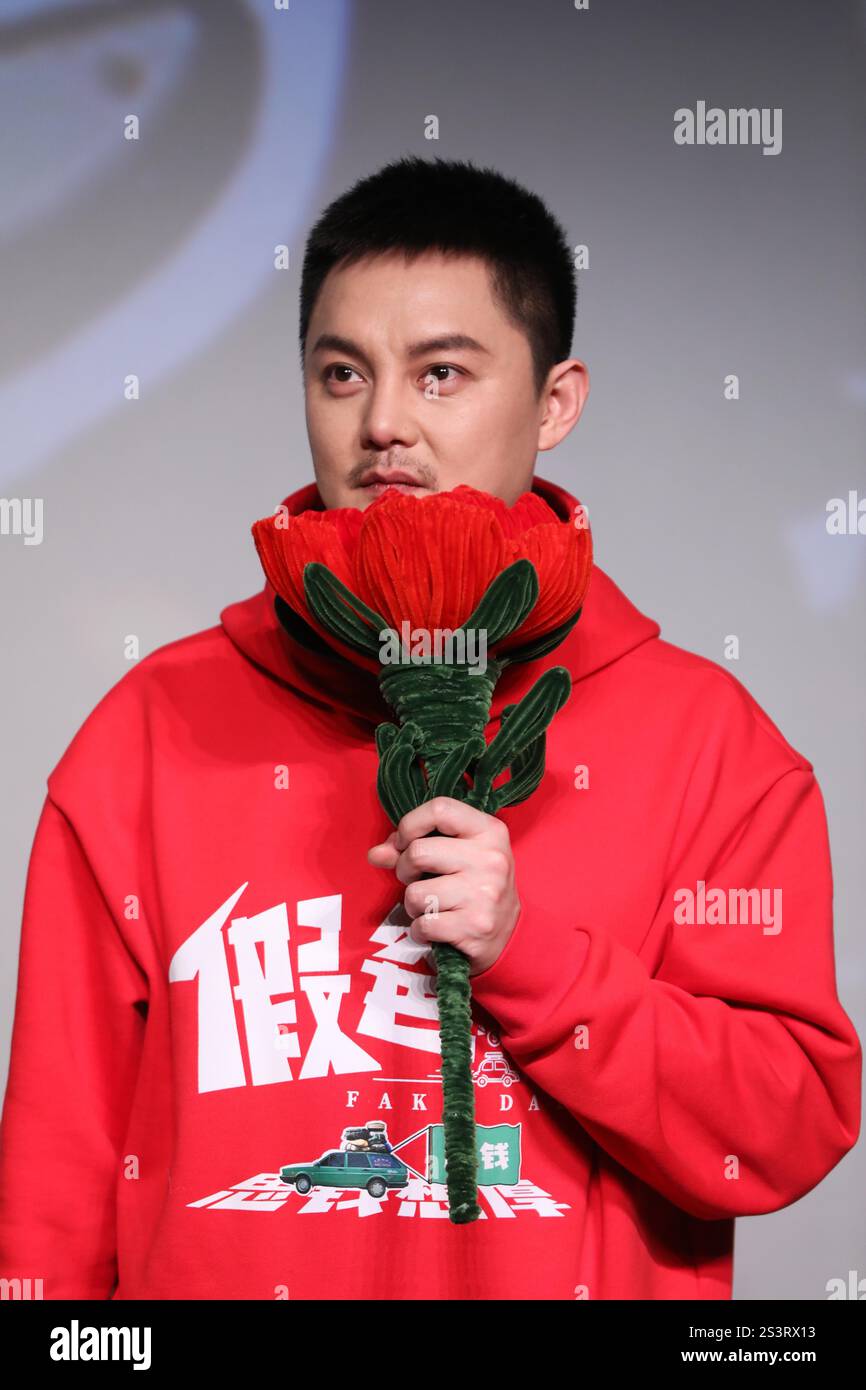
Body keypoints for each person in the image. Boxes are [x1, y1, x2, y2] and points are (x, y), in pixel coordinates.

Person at [0, 156, 860, 1301]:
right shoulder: (149, 733)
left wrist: (531, 957)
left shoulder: (711, 745)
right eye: (341, 373)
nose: (383, 424)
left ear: (554, 402)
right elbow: (51, 1190)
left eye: (441, 373)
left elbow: (785, 1129)